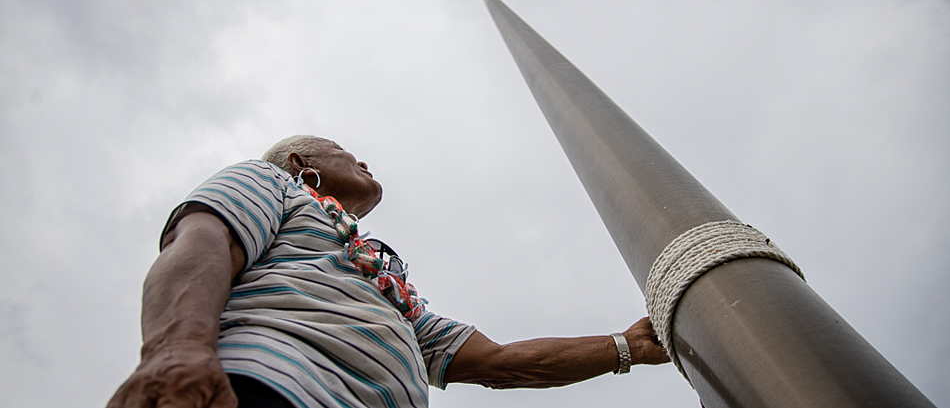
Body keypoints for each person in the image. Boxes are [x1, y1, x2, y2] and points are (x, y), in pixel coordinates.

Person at [108, 135, 669, 408]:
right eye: (342, 150)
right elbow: (202, 242)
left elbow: (498, 364)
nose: (363, 159)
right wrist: (174, 354)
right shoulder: (269, 182)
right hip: (265, 389)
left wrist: (627, 346)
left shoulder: (390, 288)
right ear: (305, 167)